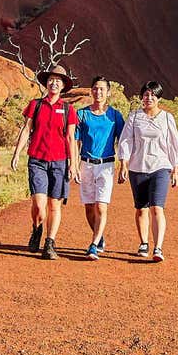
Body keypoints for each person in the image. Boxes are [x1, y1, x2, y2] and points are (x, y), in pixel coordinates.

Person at [9, 64, 77, 259]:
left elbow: (71, 138)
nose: (54, 83)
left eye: (58, 80)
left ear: (63, 85)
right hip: (37, 159)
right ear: (46, 83)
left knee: (54, 204)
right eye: (51, 80)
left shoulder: (68, 109)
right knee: (39, 204)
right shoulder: (36, 105)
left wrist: (73, 164)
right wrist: (17, 153)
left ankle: (50, 243)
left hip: (59, 161)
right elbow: (26, 129)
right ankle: (36, 228)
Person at [118, 80, 178, 261]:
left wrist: (175, 169)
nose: (149, 98)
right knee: (141, 208)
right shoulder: (134, 117)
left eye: (153, 95)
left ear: (159, 98)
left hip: (160, 167)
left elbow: (173, 144)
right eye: (146, 95)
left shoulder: (167, 118)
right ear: (142, 97)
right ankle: (144, 242)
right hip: (137, 167)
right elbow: (126, 140)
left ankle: (158, 248)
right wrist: (123, 163)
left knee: (157, 207)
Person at [73, 76, 126, 258]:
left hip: (106, 165)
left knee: (101, 206)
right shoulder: (82, 114)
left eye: (102, 89)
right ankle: (99, 235)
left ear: (108, 92)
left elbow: (123, 141)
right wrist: (74, 165)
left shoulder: (115, 116)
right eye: (95, 88)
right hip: (86, 164)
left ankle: (94, 245)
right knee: (89, 207)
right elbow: (75, 141)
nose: (98, 92)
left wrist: (123, 165)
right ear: (91, 91)